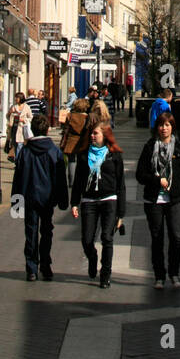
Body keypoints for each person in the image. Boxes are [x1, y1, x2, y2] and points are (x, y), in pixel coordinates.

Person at [136, 112, 180, 289]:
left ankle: (174, 273)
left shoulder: (178, 149)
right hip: (154, 200)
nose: (164, 128)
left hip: (173, 200)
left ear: (172, 128)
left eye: (168, 125)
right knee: (157, 238)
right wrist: (157, 180)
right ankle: (159, 276)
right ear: (157, 127)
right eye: (161, 125)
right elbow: (140, 175)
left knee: (176, 237)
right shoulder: (149, 147)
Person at [12, 112, 68, 281]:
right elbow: (60, 178)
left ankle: (31, 267)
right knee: (47, 230)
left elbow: (18, 178)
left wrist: (16, 205)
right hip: (47, 198)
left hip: (29, 197)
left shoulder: (25, 152)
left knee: (31, 231)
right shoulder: (54, 151)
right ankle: (45, 264)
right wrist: (63, 200)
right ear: (48, 129)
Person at [71, 122, 126, 288]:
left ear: (105, 136)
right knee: (87, 239)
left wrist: (121, 214)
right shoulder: (83, 155)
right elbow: (78, 181)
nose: (92, 136)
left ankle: (105, 274)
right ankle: (93, 257)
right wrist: (74, 202)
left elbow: (120, 184)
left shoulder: (114, 155)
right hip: (89, 201)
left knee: (107, 238)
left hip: (109, 200)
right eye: (92, 134)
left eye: (96, 134)